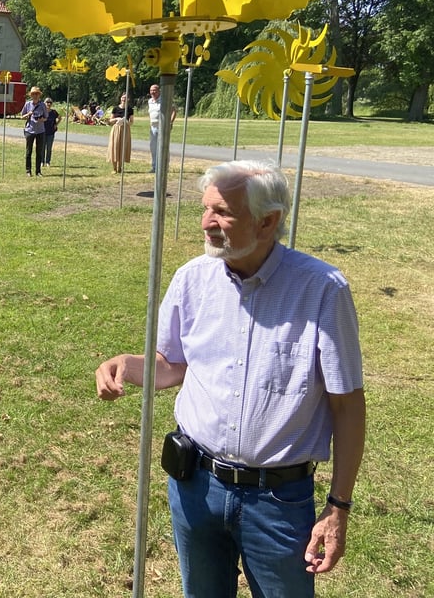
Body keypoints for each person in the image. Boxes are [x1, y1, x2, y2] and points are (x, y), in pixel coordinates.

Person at [95, 161, 365, 598]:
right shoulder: (192, 279)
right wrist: (127, 364)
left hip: (278, 502)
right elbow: (172, 364)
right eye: (205, 209)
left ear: (268, 221)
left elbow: (347, 405)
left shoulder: (322, 290)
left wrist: (338, 507)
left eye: (222, 212)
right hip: (194, 487)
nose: (206, 223)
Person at [147, 83, 175, 173]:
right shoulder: (150, 101)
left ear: (159, 91)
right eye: (151, 90)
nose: (152, 92)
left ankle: (164, 167)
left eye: (154, 90)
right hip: (153, 127)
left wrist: (170, 122)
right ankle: (155, 167)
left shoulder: (164, 100)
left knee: (164, 147)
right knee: (153, 148)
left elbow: (173, 110)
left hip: (162, 126)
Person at [21, 86, 47, 176]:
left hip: (40, 131)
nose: (35, 96)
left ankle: (38, 171)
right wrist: (28, 114)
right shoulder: (27, 104)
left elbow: (46, 117)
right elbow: (22, 116)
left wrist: (41, 119)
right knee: (29, 151)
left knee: (39, 152)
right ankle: (28, 171)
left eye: (37, 94)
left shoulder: (43, 105)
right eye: (33, 94)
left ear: (39, 95)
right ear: (31, 95)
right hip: (30, 130)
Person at [108, 93, 134, 173]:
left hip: (125, 129)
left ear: (128, 99)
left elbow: (131, 122)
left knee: (122, 147)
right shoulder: (115, 108)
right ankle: (114, 168)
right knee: (114, 147)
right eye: (123, 97)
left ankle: (120, 168)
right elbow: (110, 121)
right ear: (120, 98)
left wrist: (125, 121)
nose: (124, 99)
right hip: (116, 129)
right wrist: (117, 119)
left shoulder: (130, 109)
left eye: (126, 98)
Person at [43, 98, 60, 166]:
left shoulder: (54, 112)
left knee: (49, 148)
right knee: (42, 148)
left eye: (50, 102)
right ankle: (42, 161)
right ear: (45, 103)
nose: (49, 104)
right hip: (43, 131)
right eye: (47, 102)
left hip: (51, 132)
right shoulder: (42, 111)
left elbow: (60, 117)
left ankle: (48, 162)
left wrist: (56, 124)